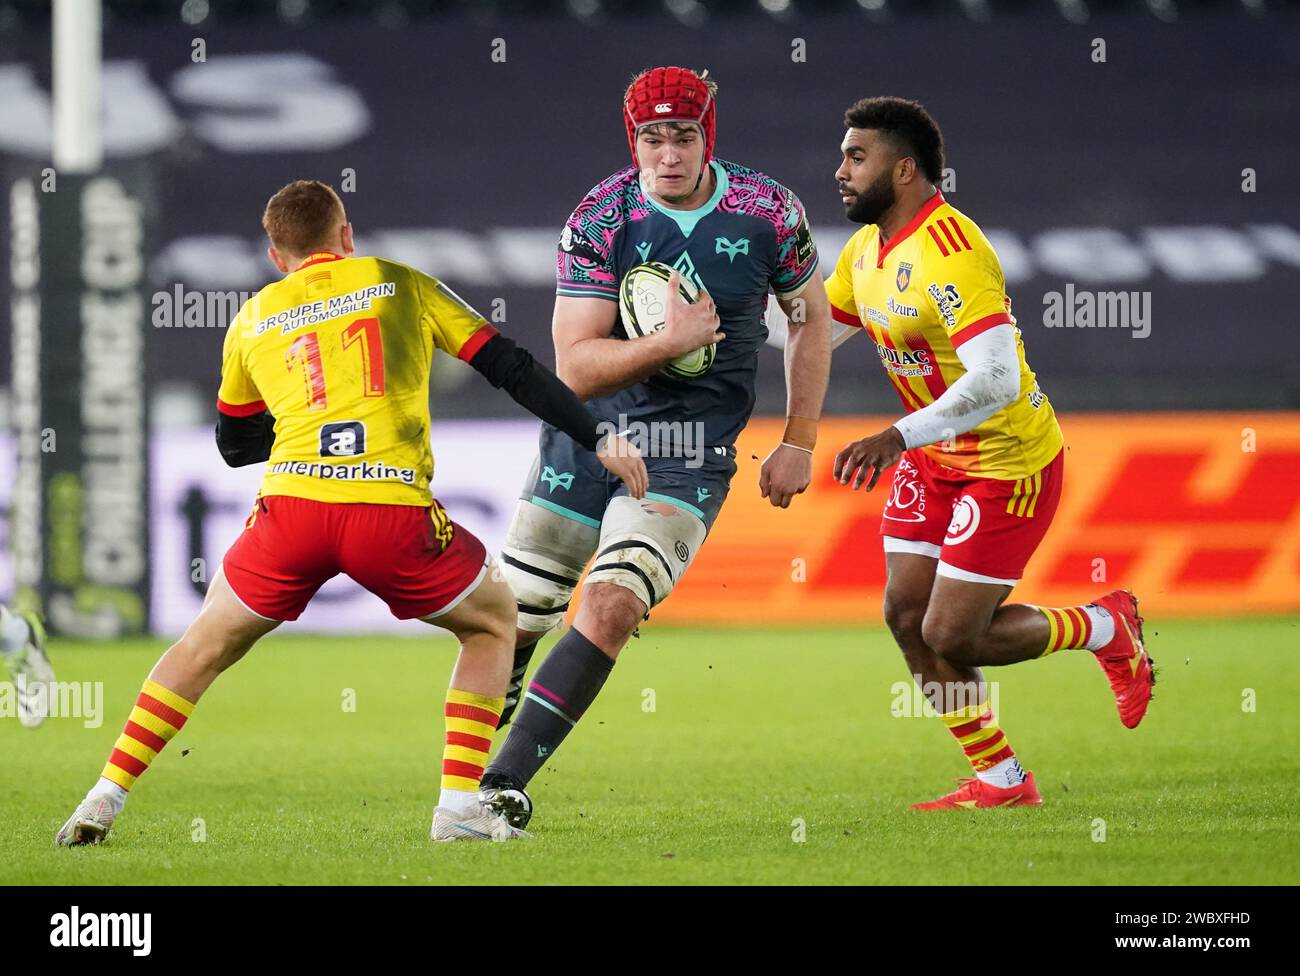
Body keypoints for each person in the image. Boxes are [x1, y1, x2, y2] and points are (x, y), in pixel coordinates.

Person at [55, 179, 645, 845]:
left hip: (293, 510)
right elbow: (512, 367)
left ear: (278, 257)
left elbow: (232, 445)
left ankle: (102, 798)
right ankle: (457, 810)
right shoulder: (400, 282)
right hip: (386, 510)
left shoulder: (254, 317)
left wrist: (311, 427)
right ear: (347, 235)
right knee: (492, 621)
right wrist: (597, 436)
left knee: (204, 643)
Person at [480, 66, 831, 829]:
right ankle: (474, 750)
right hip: (591, 436)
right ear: (631, 139)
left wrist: (799, 438)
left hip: (690, 450)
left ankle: (499, 788)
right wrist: (670, 341)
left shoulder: (771, 212)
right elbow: (574, 364)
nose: (667, 154)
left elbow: (810, 318)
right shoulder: (600, 215)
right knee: (517, 618)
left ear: (710, 135)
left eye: (683, 136)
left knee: (609, 604)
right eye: (651, 138)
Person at [825, 97, 1155, 810]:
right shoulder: (865, 251)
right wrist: (710, 328)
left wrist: (896, 435)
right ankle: (1003, 780)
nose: (840, 171)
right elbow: (811, 334)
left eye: (857, 157)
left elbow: (998, 379)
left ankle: (1104, 626)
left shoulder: (953, 251)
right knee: (905, 618)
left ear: (903, 169)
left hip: (1007, 464)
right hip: (934, 458)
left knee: (954, 635)